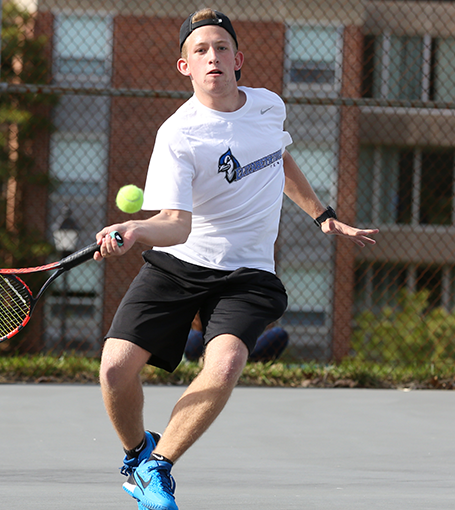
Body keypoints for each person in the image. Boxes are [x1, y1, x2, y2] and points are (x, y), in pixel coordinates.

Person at [91, 8, 379, 510]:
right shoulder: (178, 135)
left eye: (221, 48)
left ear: (238, 59)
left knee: (223, 366)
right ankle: (137, 455)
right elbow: (177, 224)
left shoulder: (269, 107)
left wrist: (322, 215)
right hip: (180, 263)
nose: (212, 57)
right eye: (200, 50)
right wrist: (136, 228)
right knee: (115, 370)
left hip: (248, 274)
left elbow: (278, 159)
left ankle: (159, 469)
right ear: (185, 67)